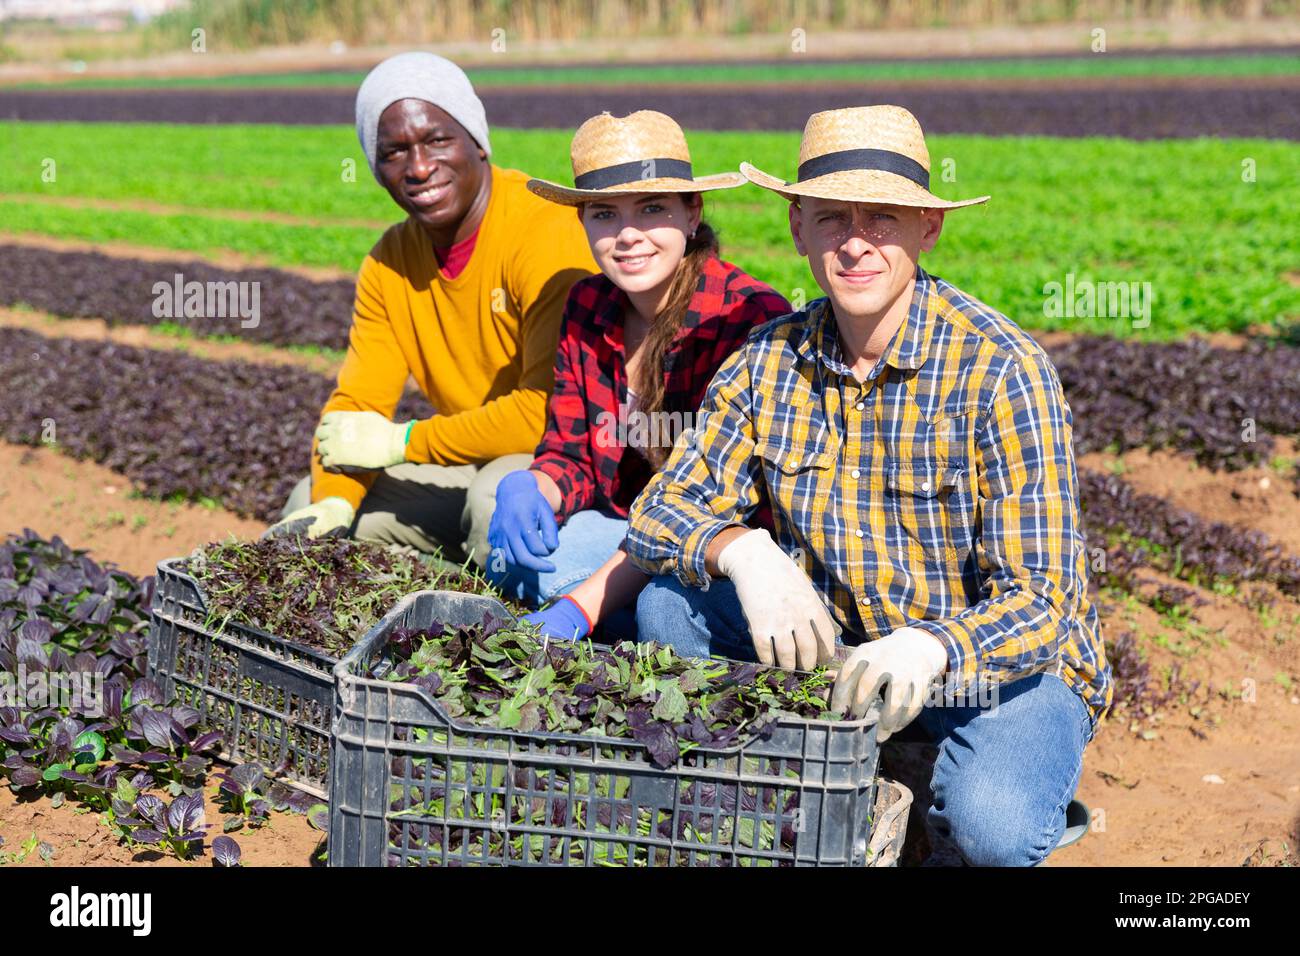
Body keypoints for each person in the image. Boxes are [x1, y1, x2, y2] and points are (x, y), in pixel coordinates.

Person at [623, 105, 1114, 866]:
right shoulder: (769, 361)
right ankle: (788, 786)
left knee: (995, 829)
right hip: (842, 654)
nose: (854, 241)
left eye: (881, 218)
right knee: (667, 605)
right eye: (831, 218)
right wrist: (741, 551)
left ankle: (988, 793)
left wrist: (933, 647)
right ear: (797, 228)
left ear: (928, 229)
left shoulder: (1001, 370)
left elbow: (1046, 600)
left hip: (991, 671)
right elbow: (659, 512)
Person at [265, 52, 597, 564]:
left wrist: (406, 441)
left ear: (478, 143)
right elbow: (359, 401)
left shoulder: (542, 232)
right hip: (468, 455)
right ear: (376, 169)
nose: (419, 167)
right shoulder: (390, 263)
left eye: (438, 140)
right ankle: (428, 610)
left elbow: (544, 411)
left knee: (496, 501)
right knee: (310, 509)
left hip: (565, 456)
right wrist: (334, 496)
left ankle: (515, 635)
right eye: (395, 151)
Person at [474, 110, 790, 641]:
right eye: (603, 214)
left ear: (692, 213)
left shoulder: (745, 316)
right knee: (508, 562)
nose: (627, 235)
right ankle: (617, 614)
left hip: (711, 544)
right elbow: (570, 453)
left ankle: (615, 615)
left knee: (658, 605)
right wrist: (533, 486)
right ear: (583, 224)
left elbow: (709, 502)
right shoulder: (587, 304)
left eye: (651, 209)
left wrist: (582, 603)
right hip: (620, 530)